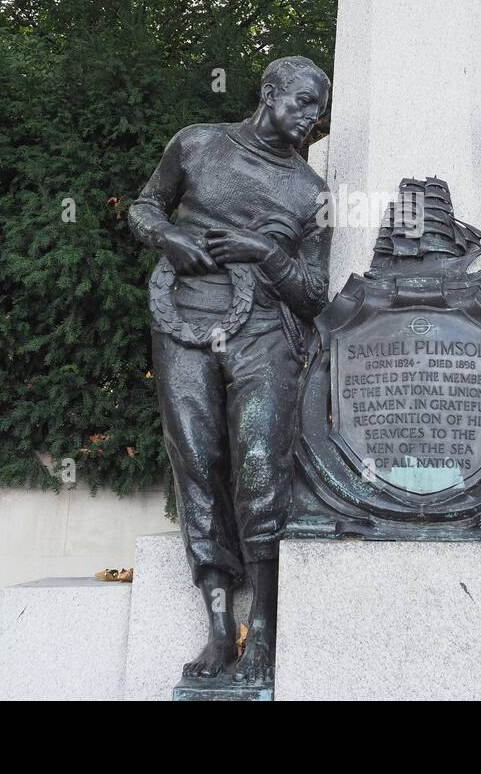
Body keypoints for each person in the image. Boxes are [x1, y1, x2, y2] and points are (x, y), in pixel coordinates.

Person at [129, 55, 332, 686]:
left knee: (258, 465)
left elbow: (315, 291)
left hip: (263, 330)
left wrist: (266, 251)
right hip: (182, 316)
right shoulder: (196, 143)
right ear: (268, 94)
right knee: (195, 457)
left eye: (319, 108)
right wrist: (168, 237)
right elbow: (144, 207)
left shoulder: (311, 191)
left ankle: (265, 630)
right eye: (303, 101)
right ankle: (219, 628)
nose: (312, 116)